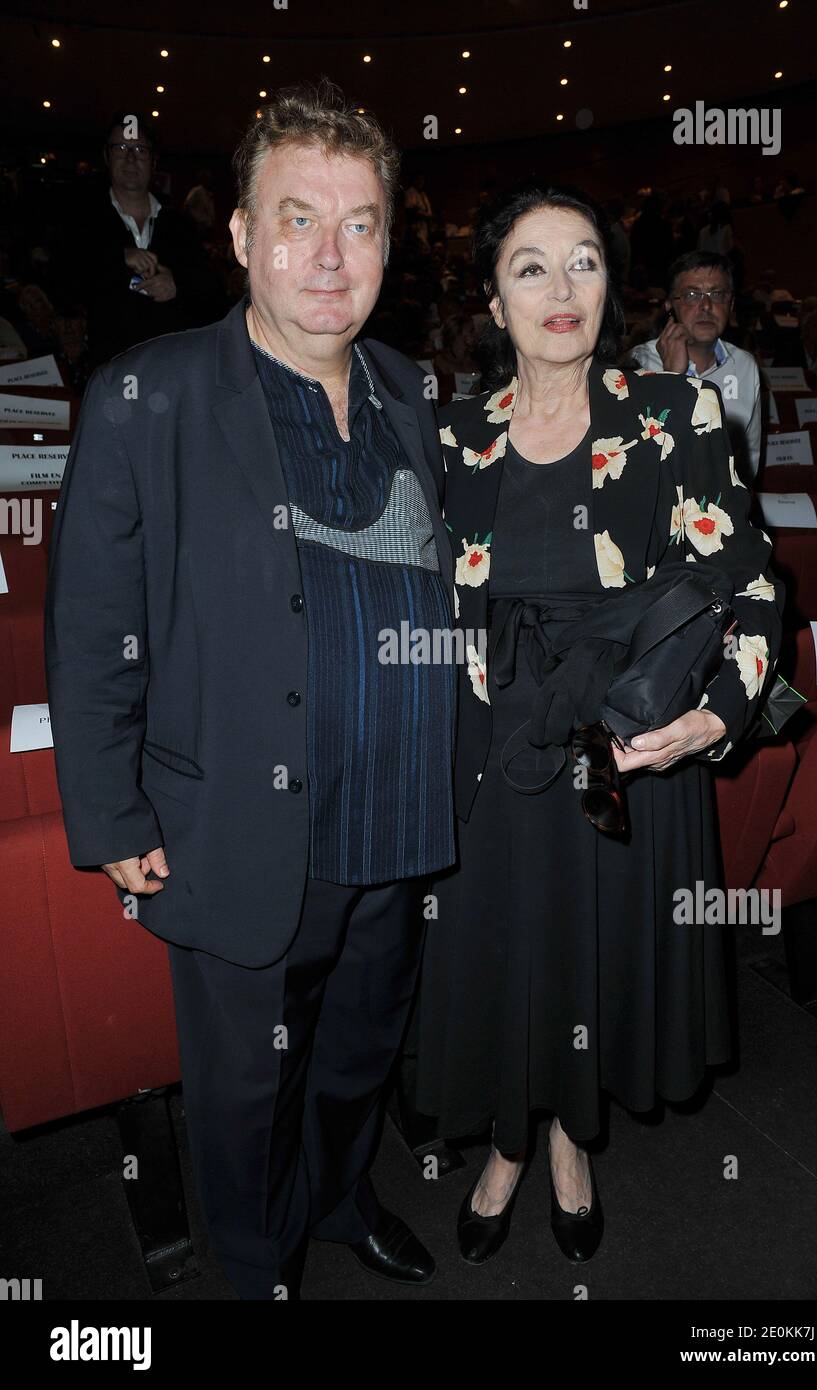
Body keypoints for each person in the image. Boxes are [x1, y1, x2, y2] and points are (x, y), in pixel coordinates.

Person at [44, 80, 457, 1300]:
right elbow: (91, 623)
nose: (330, 257)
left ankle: (337, 1196)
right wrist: (111, 813)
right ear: (237, 235)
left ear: (389, 238)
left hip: (396, 813)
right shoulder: (145, 394)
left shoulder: (410, 393)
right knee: (241, 1087)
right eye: (297, 220)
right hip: (236, 817)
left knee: (356, 1055)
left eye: (360, 223)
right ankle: (253, 1262)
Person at [408, 181, 784, 1266]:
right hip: (495, 765)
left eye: (582, 260)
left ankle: (570, 1142)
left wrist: (712, 720)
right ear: (492, 296)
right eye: (530, 265)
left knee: (593, 968)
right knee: (510, 960)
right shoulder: (448, 436)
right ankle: (509, 1144)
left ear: (612, 285)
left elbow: (750, 586)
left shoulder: (673, 416)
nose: (560, 287)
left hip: (627, 754)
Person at [63, 111, 221, 365]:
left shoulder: (180, 225)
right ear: (106, 155)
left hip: (171, 370)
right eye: (121, 147)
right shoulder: (83, 221)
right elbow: (65, 284)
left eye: (140, 149)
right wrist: (118, 257)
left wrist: (176, 286)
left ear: (153, 162)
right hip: (110, 371)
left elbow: (212, 295)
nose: (130, 158)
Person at [628, 251, 762, 481]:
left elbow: (749, 461)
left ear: (730, 305)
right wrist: (671, 377)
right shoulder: (637, 363)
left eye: (717, 294)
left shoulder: (745, 366)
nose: (707, 306)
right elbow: (637, 465)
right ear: (670, 306)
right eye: (692, 295)